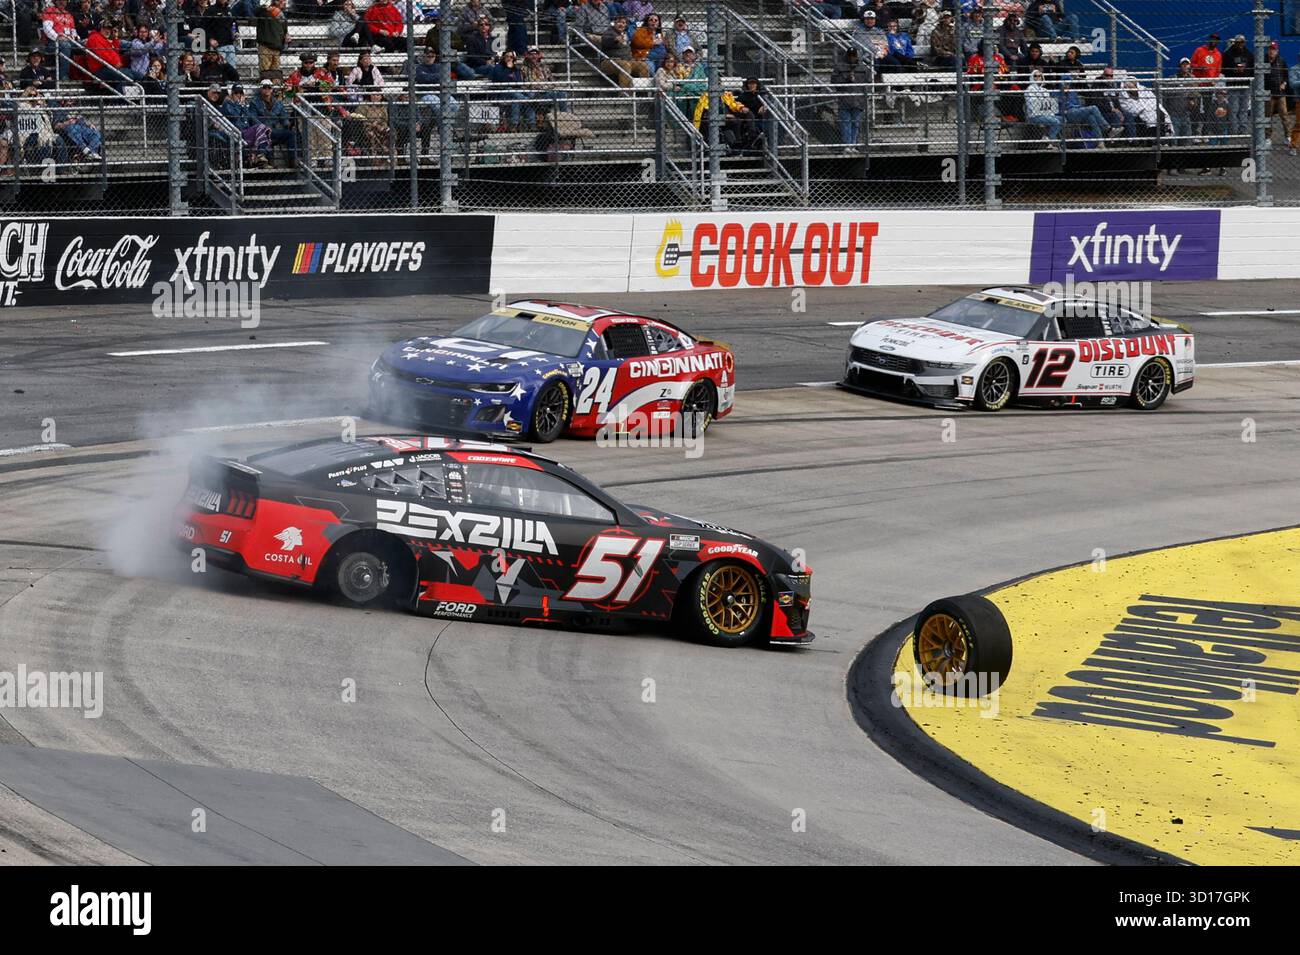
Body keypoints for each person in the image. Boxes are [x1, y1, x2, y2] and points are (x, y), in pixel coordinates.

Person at [221, 83, 273, 166]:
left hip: (246, 131)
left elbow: (251, 117)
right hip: (235, 132)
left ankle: (261, 158)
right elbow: (235, 116)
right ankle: (259, 156)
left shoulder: (243, 106)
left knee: (264, 130)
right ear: (232, 94)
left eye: (241, 93)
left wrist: (264, 127)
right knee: (261, 130)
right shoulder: (227, 104)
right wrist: (239, 105)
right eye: (236, 93)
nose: (238, 95)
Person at [832, 48, 868, 149]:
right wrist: (846, 79)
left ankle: (853, 145)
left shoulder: (863, 68)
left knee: (855, 124)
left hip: (858, 100)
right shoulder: (839, 67)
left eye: (854, 55)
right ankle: (847, 146)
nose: (852, 58)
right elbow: (834, 82)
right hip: (845, 99)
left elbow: (868, 83)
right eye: (850, 55)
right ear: (847, 56)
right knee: (846, 123)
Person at [599, 15, 649, 87]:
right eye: (619, 22)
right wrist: (615, 40)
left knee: (643, 65)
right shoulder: (609, 32)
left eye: (623, 23)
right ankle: (624, 94)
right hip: (609, 61)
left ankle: (643, 93)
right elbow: (605, 41)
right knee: (625, 65)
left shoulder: (626, 34)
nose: (621, 24)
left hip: (627, 60)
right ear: (614, 23)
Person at [51, 93, 103, 160]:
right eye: (69, 101)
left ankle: (90, 151)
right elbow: (55, 126)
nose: (71, 103)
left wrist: (89, 125)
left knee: (96, 133)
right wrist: (66, 123)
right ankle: (84, 149)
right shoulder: (59, 110)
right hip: (69, 129)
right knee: (72, 128)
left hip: (81, 128)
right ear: (63, 101)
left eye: (72, 101)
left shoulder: (75, 109)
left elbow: (82, 122)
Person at [1221, 34, 1253, 138]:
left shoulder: (1249, 54)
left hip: (1245, 84)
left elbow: (1253, 69)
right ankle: (1233, 131)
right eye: (1238, 42)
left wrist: (1246, 71)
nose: (1240, 44)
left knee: (1243, 109)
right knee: (1233, 109)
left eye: (1242, 42)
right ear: (1235, 42)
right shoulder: (1228, 54)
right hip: (1233, 84)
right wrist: (1233, 70)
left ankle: (1242, 131)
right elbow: (1223, 69)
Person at [41, 0, 79, 82]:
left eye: (64, 0)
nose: (62, 2)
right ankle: (63, 76)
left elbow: (73, 30)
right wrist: (57, 37)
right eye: (60, 0)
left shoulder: (69, 15)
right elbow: (47, 29)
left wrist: (76, 37)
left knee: (86, 45)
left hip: (69, 40)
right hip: (52, 43)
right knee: (65, 46)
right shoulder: (49, 11)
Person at [1264, 40, 1291, 143]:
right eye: (1270, 49)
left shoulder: (1281, 61)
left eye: (1274, 49)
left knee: (1284, 115)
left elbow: (1286, 76)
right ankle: (1268, 137)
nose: (1272, 51)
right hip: (1268, 93)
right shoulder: (1264, 61)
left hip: (1280, 94)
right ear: (1268, 50)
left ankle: (1288, 136)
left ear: (1277, 51)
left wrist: (1284, 83)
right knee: (1268, 116)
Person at [1024, 69, 1061, 139]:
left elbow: (1049, 105)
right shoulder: (1029, 90)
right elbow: (1032, 106)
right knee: (1056, 122)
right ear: (1032, 77)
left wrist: (1049, 112)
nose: (1038, 77)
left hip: (1046, 114)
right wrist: (1043, 104)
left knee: (1062, 119)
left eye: (1040, 76)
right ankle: (1050, 140)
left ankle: (1047, 137)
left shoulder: (1045, 90)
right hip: (1035, 116)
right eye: (1035, 76)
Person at [256, 0, 289, 77]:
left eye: (283, 0)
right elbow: (255, 12)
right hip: (265, 47)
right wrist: (265, 8)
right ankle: (265, 86)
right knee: (265, 73)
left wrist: (287, 36)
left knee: (276, 75)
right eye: (279, 0)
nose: (282, 2)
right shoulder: (265, 12)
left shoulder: (282, 15)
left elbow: (285, 30)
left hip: (277, 47)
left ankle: (276, 88)